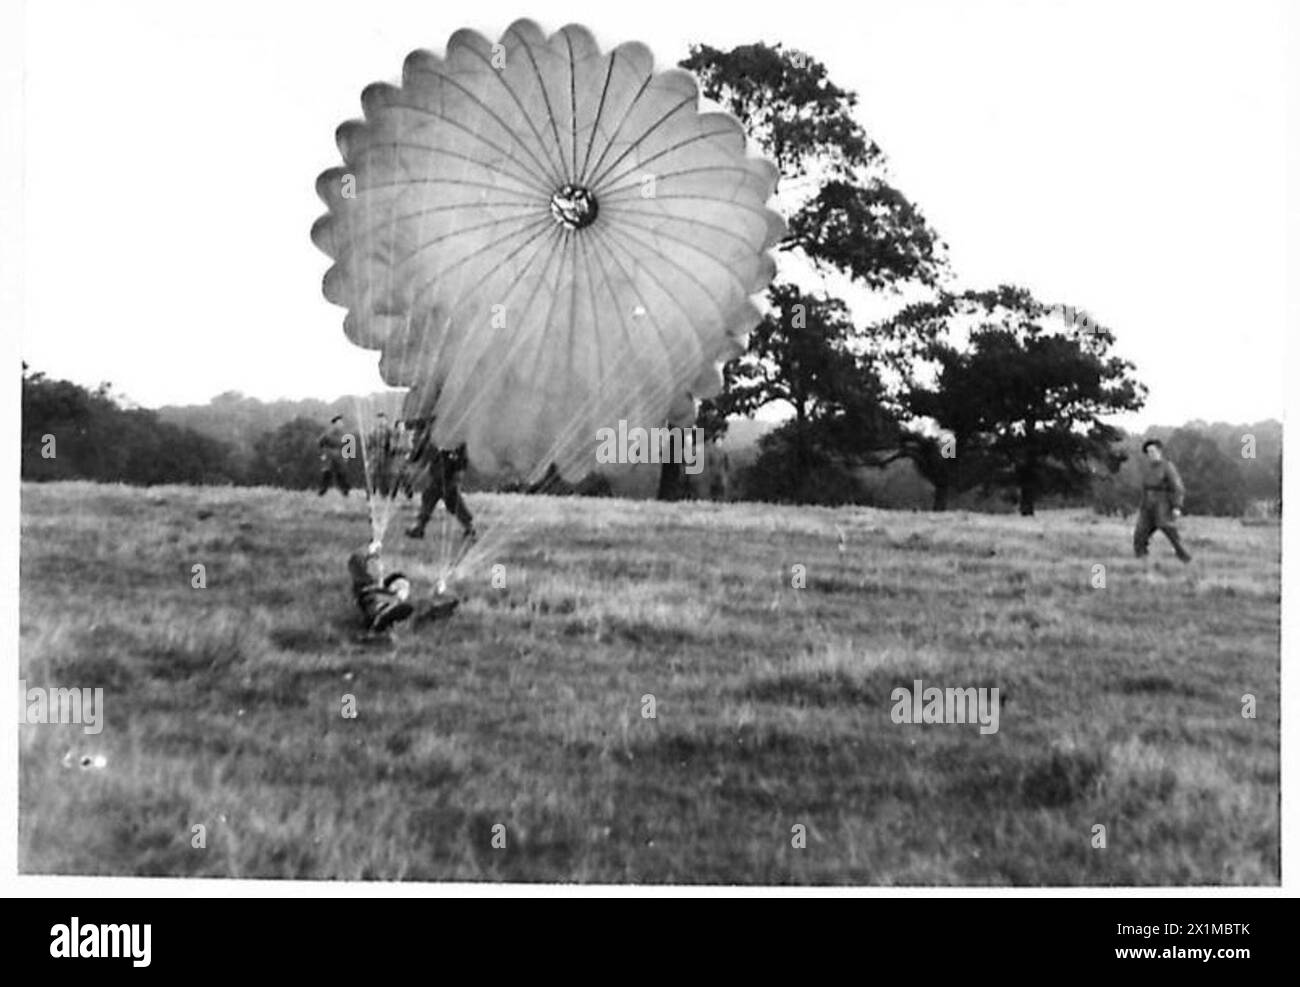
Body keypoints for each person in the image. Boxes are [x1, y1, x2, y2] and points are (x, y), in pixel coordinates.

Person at [347, 539, 460, 633]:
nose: (380, 565)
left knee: (401, 583)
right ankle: (382, 617)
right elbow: (357, 561)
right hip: (378, 603)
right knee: (405, 604)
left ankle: (432, 608)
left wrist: (435, 589)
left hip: (388, 599)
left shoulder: (381, 583)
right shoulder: (366, 588)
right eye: (375, 562)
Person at [405, 417, 476, 541]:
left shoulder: (456, 439)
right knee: (441, 499)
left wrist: (458, 473)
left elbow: (461, 458)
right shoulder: (435, 438)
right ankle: (468, 527)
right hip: (438, 474)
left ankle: (420, 528)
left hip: (449, 475)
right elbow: (423, 453)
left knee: (448, 501)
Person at [1133, 438, 1192, 563]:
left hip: (1163, 503)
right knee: (1140, 533)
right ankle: (1141, 559)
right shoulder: (1147, 468)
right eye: (1148, 452)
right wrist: (1142, 505)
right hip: (1147, 504)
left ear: (1159, 451)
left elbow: (1177, 487)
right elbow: (1144, 488)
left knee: (1170, 531)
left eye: (1153, 451)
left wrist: (1177, 506)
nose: (1151, 454)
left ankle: (1185, 558)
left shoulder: (1167, 466)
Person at [348, 540, 414, 632]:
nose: (379, 565)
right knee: (373, 599)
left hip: (383, 593)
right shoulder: (365, 590)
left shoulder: (376, 577)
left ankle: (388, 609)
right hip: (374, 598)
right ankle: (380, 615)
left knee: (400, 580)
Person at [318, 414, 351, 497]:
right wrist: (322, 454)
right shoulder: (328, 433)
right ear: (335, 424)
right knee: (327, 473)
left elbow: (348, 446)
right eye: (339, 422)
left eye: (341, 422)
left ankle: (345, 491)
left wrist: (347, 456)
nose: (341, 424)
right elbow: (320, 443)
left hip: (340, 456)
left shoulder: (344, 434)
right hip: (330, 456)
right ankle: (322, 490)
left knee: (342, 474)